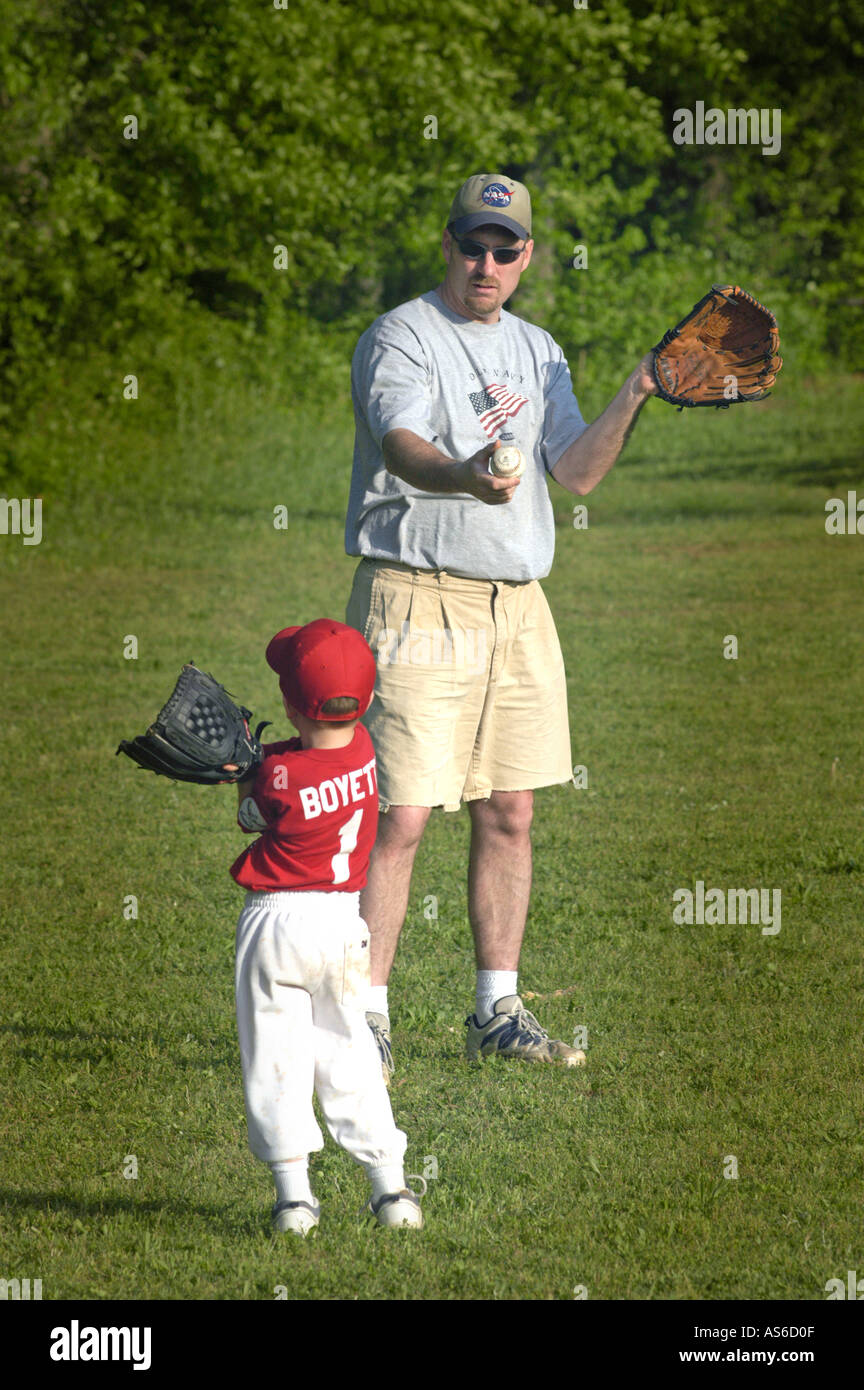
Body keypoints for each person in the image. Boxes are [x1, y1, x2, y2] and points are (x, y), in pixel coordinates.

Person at [344, 173, 659, 1080]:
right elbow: (402, 442)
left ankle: (498, 1010)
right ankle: (365, 1016)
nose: (486, 262)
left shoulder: (539, 349)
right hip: (417, 594)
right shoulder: (401, 335)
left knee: (510, 810)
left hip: (517, 607)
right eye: (472, 244)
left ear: (527, 257)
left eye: (505, 247)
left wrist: (634, 390)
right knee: (402, 814)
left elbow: (578, 471)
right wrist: (468, 475)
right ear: (447, 245)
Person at [230, 619, 423, 1233]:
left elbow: (250, 814)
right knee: (350, 1052)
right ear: (361, 703)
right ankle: (390, 1190)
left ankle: (294, 1200)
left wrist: (239, 772)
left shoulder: (275, 777)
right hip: (342, 924)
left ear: (289, 704)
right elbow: (306, 760)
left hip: (277, 925)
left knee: (276, 1059)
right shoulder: (365, 747)